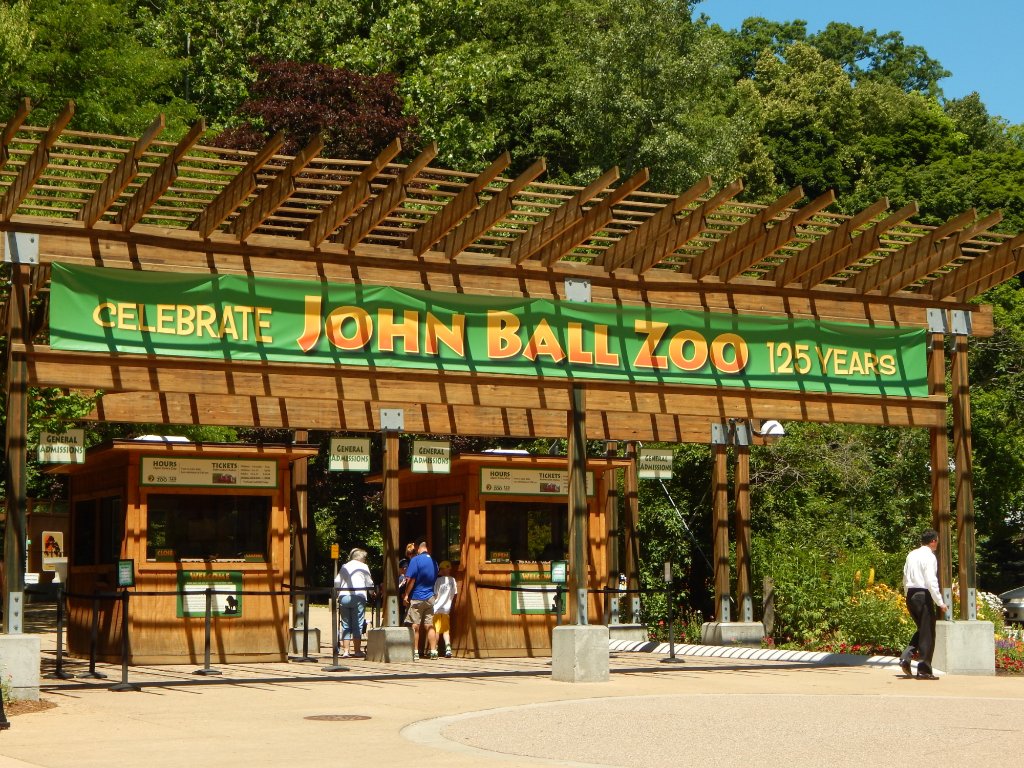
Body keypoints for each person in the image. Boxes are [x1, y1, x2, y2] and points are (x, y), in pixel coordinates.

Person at [899, 529, 947, 680]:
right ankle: (924, 670)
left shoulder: (911, 554)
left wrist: (907, 595)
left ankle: (906, 656)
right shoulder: (929, 556)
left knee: (923, 629)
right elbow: (931, 580)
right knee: (928, 634)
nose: (937, 544)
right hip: (922, 595)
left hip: (911, 594)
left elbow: (905, 576)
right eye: (937, 541)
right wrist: (940, 602)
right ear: (933, 541)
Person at [403, 540, 438, 660]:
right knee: (429, 625)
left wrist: (406, 594)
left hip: (417, 597)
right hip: (430, 597)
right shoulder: (434, 562)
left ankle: (415, 652)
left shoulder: (415, 560)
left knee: (415, 626)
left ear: (418, 548)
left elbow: (411, 580)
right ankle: (433, 651)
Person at [335, 548, 374, 658]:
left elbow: (337, 581)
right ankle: (357, 651)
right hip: (358, 596)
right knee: (358, 623)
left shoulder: (345, 566)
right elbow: (369, 582)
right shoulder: (364, 567)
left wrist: (338, 592)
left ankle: (346, 651)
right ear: (361, 558)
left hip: (344, 596)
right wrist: (372, 593)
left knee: (345, 624)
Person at [432, 560, 458, 658]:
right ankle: (448, 648)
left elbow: (435, 594)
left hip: (437, 608)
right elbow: (454, 594)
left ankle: (434, 649)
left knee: (436, 630)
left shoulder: (438, 581)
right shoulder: (453, 580)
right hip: (447, 608)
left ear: (441, 570)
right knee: (446, 630)